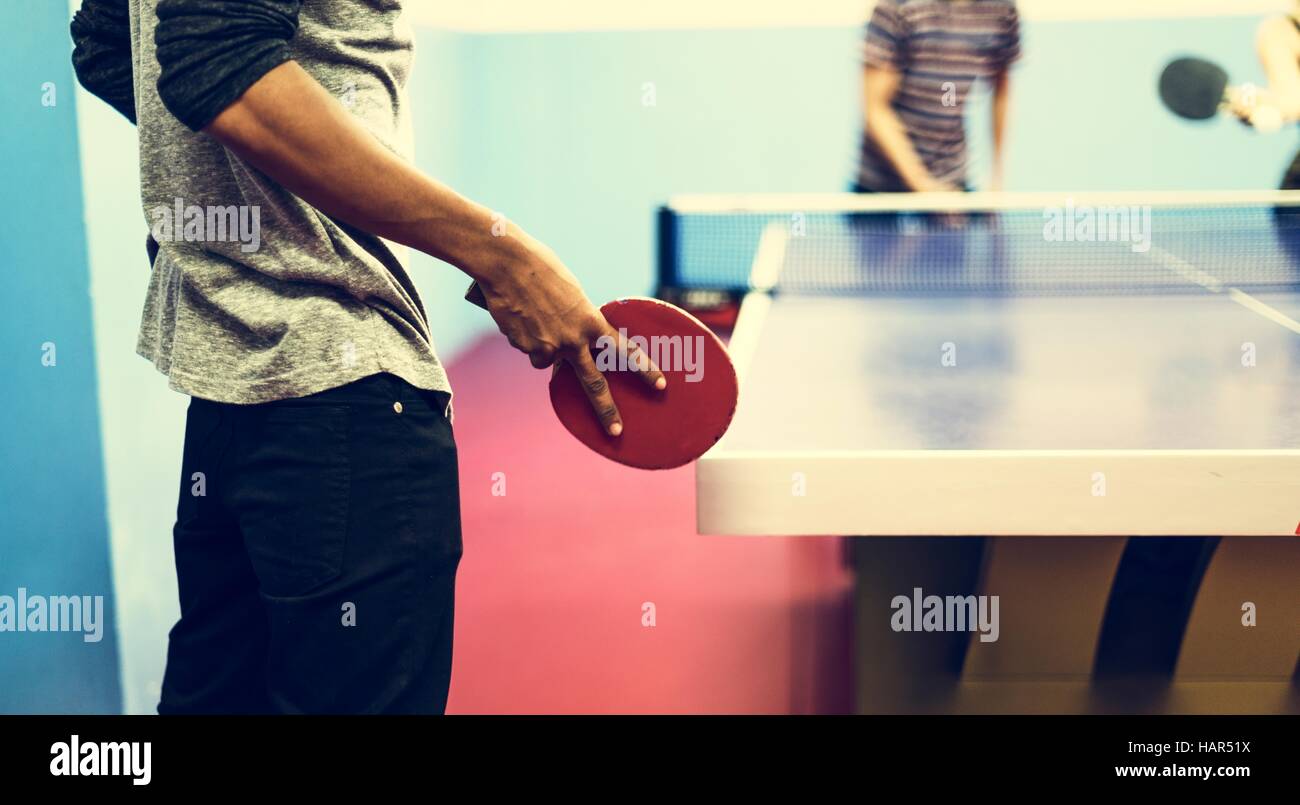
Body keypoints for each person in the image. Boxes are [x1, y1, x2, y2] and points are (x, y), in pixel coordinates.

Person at [70, 0, 663, 714]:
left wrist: (235, 194)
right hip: (343, 398)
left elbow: (113, 43)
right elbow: (212, 62)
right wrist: (503, 256)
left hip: (228, 400)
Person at [856, 0, 1020, 194]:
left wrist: (996, 179)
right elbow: (875, 108)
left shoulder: (1002, 10)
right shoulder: (896, 8)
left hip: (952, 181)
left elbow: (1001, 91)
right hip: (881, 187)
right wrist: (924, 186)